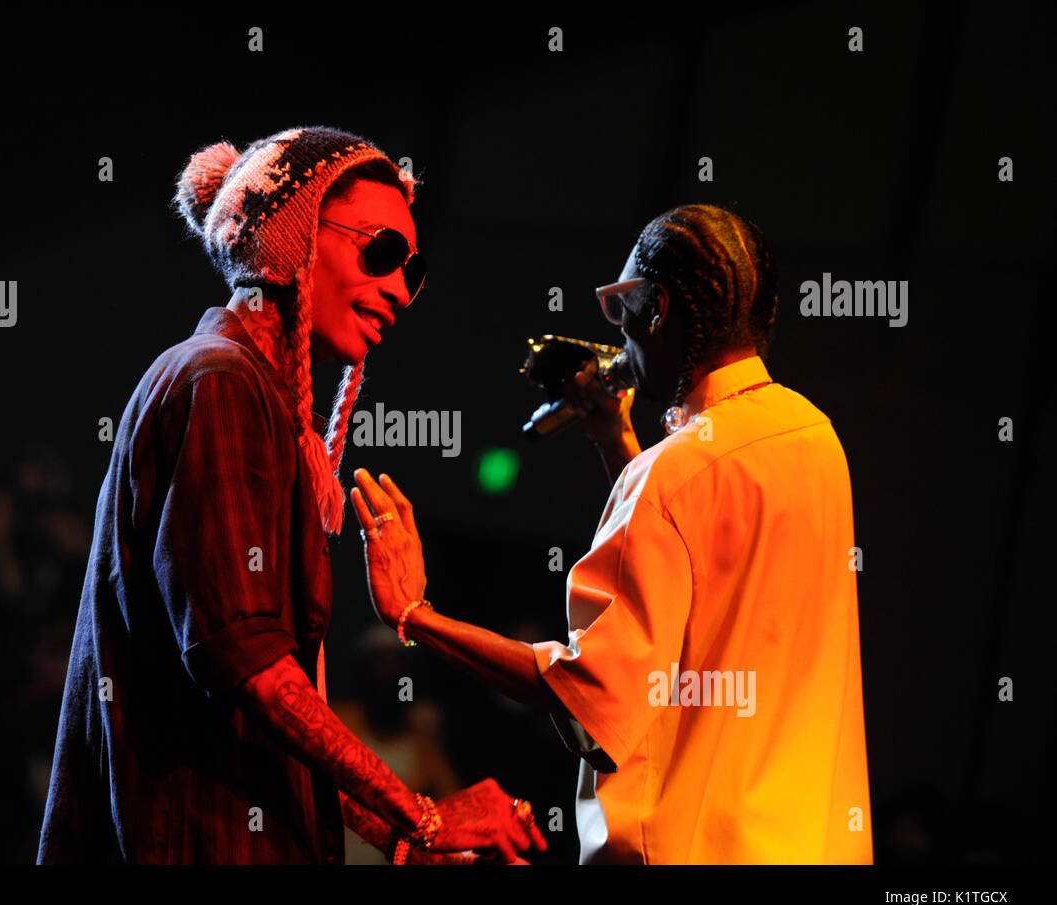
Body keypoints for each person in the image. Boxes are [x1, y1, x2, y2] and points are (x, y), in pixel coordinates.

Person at [37, 126, 545, 864]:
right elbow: (248, 666)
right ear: (292, 238)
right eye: (382, 252)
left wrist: (398, 838)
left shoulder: (252, 398)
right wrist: (424, 815)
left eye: (415, 269)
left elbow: (265, 703)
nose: (401, 288)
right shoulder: (220, 383)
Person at [351, 203, 873, 864]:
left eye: (623, 308)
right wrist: (618, 446)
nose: (621, 336)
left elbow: (587, 696)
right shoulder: (813, 438)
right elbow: (698, 571)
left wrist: (415, 615)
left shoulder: (673, 472)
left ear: (657, 309)